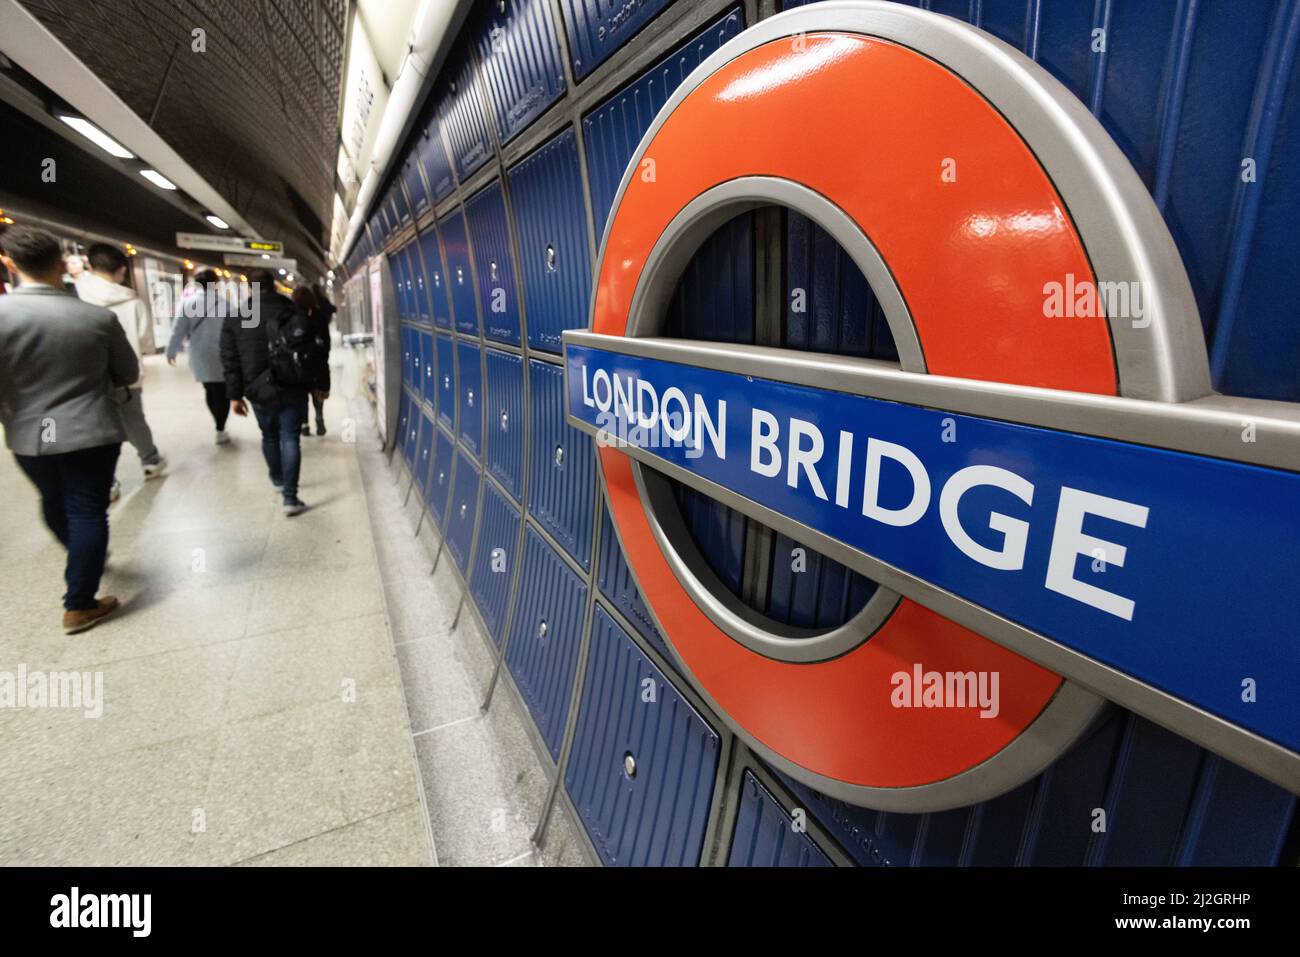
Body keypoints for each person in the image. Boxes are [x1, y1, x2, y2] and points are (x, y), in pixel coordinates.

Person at [0, 227, 138, 633]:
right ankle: (79, 601)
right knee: (87, 510)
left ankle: (80, 554)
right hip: (90, 429)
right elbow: (127, 373)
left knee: (54, 500)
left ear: (9, 263)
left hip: (29, 433)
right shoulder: (96, 318)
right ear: (63, 264)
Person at [221, 269, 329, 516]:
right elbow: (316, 350)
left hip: (258, 387)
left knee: (269, 435)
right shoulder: (292, 310)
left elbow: (230, 358)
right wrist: (320, 385)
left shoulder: (238, 315)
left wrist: (234, 395)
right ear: (274, 286)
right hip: (292, 383)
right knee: (290, 437)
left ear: (250, 288)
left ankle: (279, 481)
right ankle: (290, 498)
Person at [75, 243, 166, 498]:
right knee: (134, 418)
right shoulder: (133, 301)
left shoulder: (78, 296)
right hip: (127, 373)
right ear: (122, 270)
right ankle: (150, 460)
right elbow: (147, 342)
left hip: (88, 376)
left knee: (97, 429)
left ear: (90, 266)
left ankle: (108, 482)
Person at [167, 269, 233, 444]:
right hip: (222, 353)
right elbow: (236, 330)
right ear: (216, 284)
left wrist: (171, 350)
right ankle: (221, 427)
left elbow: (178, 329)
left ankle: (218, 425)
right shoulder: (225, 304)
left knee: (210, 389)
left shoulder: (187, 304)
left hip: (200, 352)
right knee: (223, 391)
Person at [290, 285, 332, 436]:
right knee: (317, 392)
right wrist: (324, 357)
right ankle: (319, 415)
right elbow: (326, 343)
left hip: (299, 364)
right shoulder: (320, 316)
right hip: (318, 362)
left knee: (302, 396)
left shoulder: (292, 316)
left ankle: (304, 424)